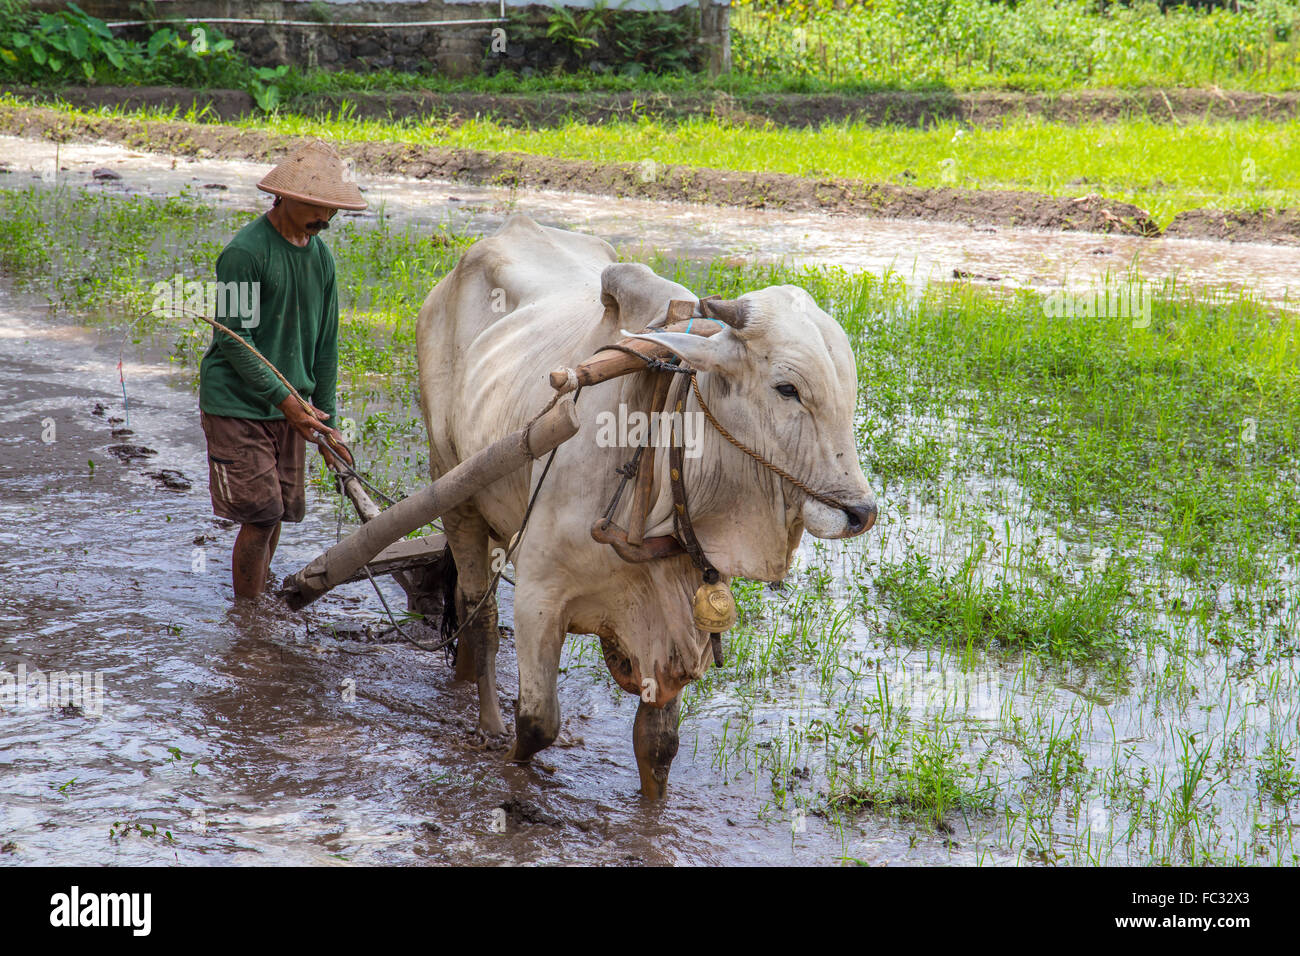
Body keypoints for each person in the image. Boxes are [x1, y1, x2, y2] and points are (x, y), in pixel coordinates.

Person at [198, 140, 363, 600]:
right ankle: (248, 619)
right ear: (284, 197)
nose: (324, 219)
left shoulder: (321, 258)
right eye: (316, 206)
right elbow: (233, 340)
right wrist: (288, 402)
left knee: (281, 512)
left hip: (291, 405)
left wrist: (325, 420)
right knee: (262, 512)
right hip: (237, 403)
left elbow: (325, 343)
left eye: (332, 210)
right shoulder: (244, 254)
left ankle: (256, 596)